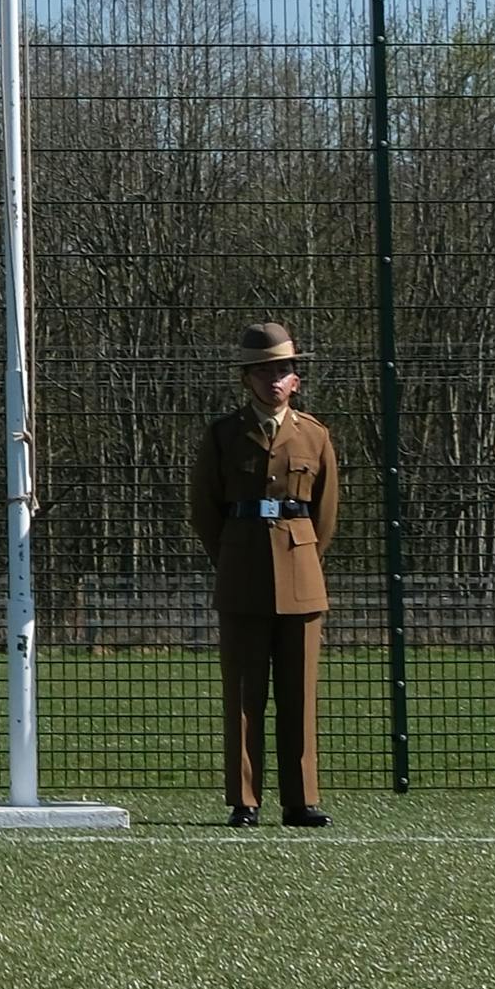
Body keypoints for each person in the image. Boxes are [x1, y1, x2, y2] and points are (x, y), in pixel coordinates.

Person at [187, 320, 341, 828]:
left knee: (299, 695)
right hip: (242, 573)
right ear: (246, 378)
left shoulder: (315, 435)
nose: (274, 379)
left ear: (295, 378)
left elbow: (326, 513)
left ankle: (301, 801)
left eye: (284, 370)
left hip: (301, 577)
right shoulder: (224, 434)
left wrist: (303, 559)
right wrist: (231, 554)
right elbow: (205, 510)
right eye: (264, 371)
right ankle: (245, 799)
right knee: (244, 696)